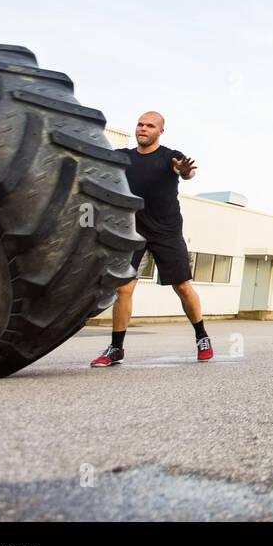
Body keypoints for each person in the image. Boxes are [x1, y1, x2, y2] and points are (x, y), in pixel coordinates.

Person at [91, 111, 212, 367]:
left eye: (150, 126)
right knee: (124, 287)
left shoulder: (169, 156)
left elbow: (185, 172)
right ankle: (116, 348)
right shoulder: (124, 157)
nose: (143, 129)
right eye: (140, 124)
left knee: (181, 286)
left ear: (160, 131)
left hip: (166, 230)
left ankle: (202, 336)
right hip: (133, 229)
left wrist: (185, 172)